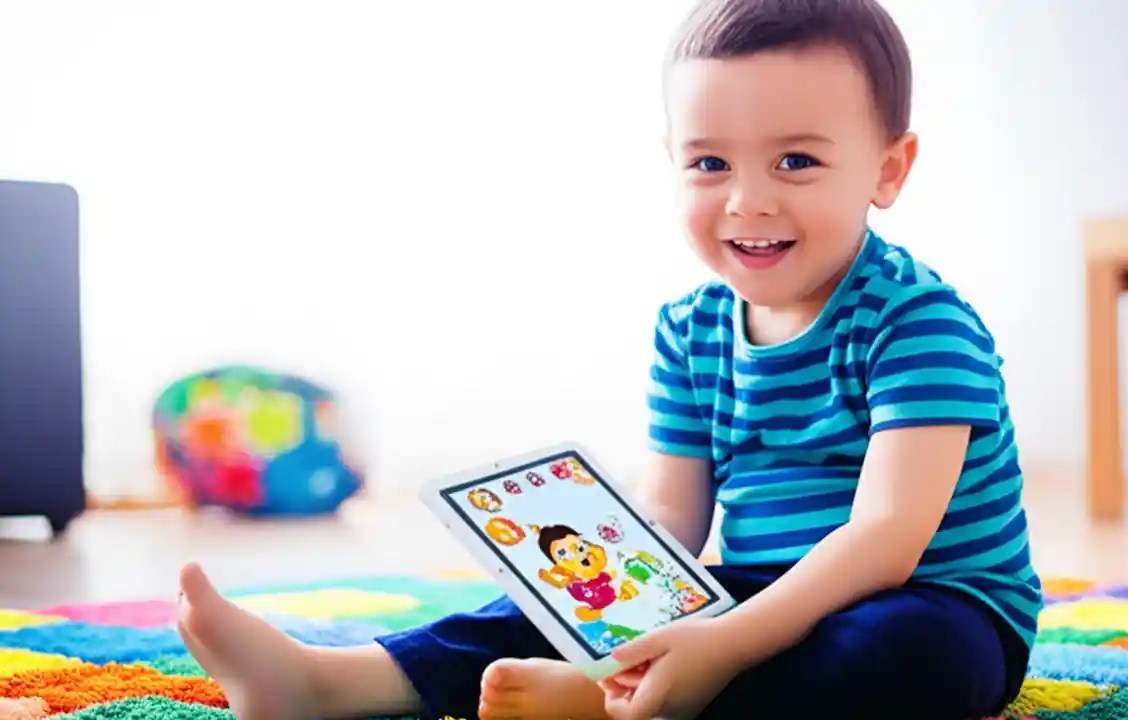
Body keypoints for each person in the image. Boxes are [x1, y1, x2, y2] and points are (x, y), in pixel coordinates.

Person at [175, 1, 1041, 718]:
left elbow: (883, 542)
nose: (747, 201)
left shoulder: (920, 324)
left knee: (902, 656)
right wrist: (594, 582)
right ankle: (334, 682)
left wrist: (719, 643)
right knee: (547, 611)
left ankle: (619, 705)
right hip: (751, 589)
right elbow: (673, 518)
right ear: (673, 162)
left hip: (935, 602)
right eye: (709, 163)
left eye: (797, 161)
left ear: (889, 170)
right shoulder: (690, 328)